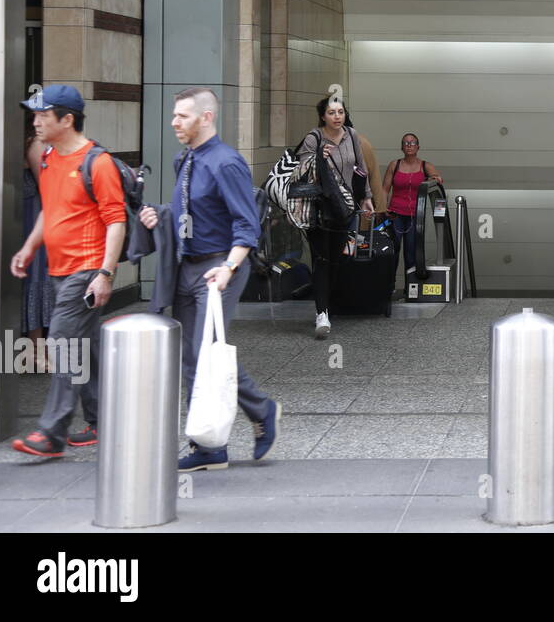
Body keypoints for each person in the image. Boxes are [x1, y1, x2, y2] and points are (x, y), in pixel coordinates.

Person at [135, 87, 281, 472]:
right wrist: (160, 215)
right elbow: (192, 210)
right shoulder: (185, 159)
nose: (174, 122)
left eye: (182, 116)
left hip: (219, 268)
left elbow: (247, 225)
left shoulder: (226, 162)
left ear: (206, 117)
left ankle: (249, 418)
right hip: (187, 266)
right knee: (192, 357)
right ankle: (211, 443)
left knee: (204, 354)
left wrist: (229, 268)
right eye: (174, 115)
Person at [9, 86, 125, 457]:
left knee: (61, 343)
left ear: (67, 119)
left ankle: (52, 431)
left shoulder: (98, 162)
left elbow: (116, 220)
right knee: (84, 350)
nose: (36, 121)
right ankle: (101, 420)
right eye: (35, 115)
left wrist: (105, 273)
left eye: (43, 115)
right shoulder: (47, 159)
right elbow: (51, 209)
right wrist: (29, 248)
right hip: (59, 270)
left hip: (87, 271)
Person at [297, 97, 384, 339]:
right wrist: (318, 158)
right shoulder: (313, 138)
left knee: (337, 258)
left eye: (340, 112)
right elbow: (301, 169)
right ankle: (321, 313)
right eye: (331, 112)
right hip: (317, 207)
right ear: (323, 116)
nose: (337, 116)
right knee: (321, 258)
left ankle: (326, 302)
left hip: (343, 207)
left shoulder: (351, 136)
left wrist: (366, 197)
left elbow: (360, 167)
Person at [382, 133, 443, 298]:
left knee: (411, 254)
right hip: (395, 214)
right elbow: (385, 188)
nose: (409, 145)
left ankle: (411, 288)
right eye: (406, 143)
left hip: (415, 216)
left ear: (418, 147)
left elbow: (438, 179)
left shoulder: (425, 165)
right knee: (392, 251)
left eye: (413, 143)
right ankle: (389, 287)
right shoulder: (394, 165)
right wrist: (383, 208)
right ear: (402, 147)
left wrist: (434, 178)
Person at [21, 121, 56, 372]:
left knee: (34, 280)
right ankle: (35, 351)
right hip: (21, 215)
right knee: (31, 280)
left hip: (29, 216)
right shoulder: (31, 141)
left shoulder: (31, 141)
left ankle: (36, 350)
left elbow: (46, 187)